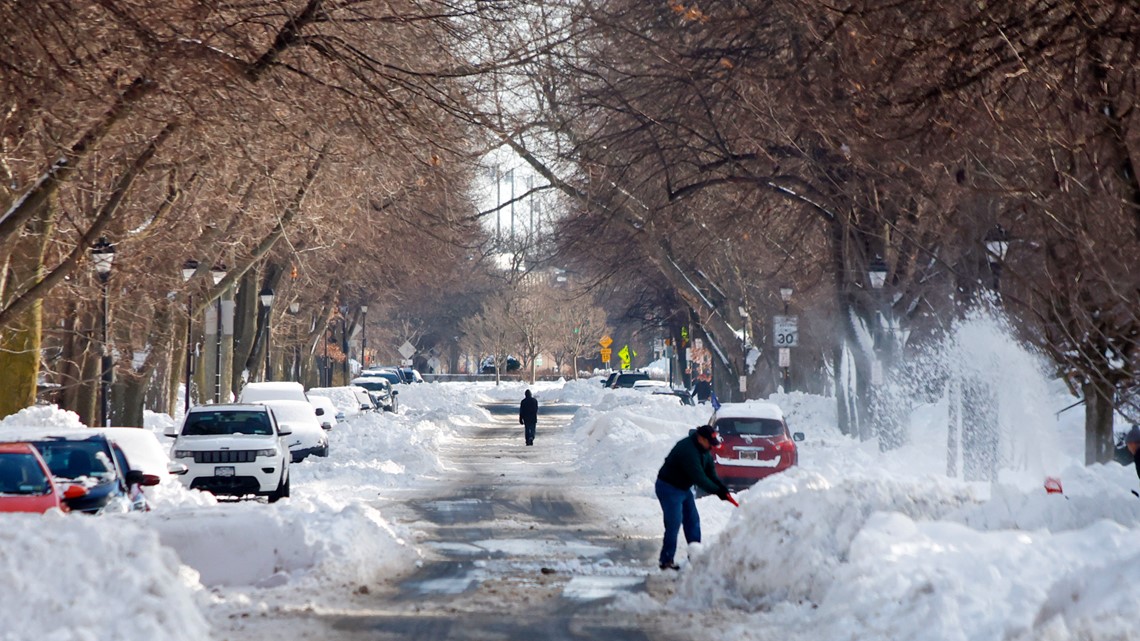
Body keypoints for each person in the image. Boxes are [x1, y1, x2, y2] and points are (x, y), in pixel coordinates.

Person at [654, 424, 732, 570]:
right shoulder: (688, 451)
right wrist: (717, 491)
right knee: (674, 523)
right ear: (701, 438)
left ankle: (695, 558)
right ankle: (666, 561)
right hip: (668, 487)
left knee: (692, 521)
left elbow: (710, 473)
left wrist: (721, 487)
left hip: (683, 488)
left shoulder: (704, 450)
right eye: (710, 443)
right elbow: (699, 478)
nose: (711, 447)